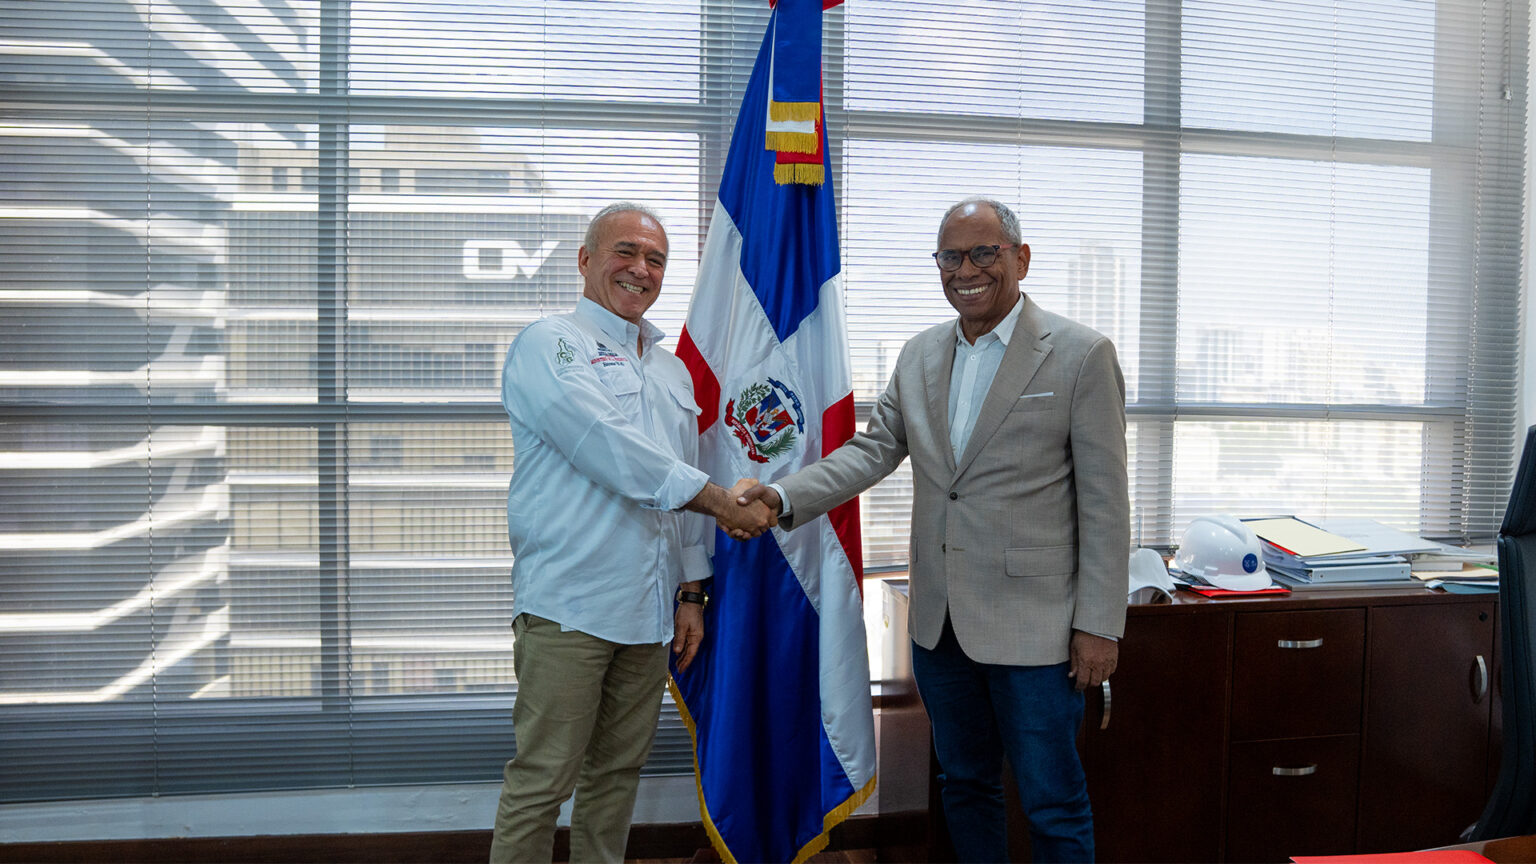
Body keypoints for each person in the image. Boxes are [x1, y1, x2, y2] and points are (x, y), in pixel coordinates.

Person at [739, 197, 1129, 862]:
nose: (966, 269)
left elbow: (1105, 503)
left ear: (1020, 258)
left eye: (985, 253)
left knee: (1053, 802)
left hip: (1037, 633)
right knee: (965, 787)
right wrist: (779, 496)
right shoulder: (920, 354)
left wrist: (1100, 624)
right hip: (941, 629)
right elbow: (872, 451)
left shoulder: (1080, 354)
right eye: (952, 256)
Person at [490, 202, 774, 864]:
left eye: (654, 260)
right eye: (624, 251)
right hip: (569, 607)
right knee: (542, 783)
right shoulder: (550, 344)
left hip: (648, 615)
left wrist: (692, 592)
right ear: (585, 261)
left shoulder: (670, 371)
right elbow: (611, 449)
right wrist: (722, 505)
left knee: (615, 780)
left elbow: (673, 490)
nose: (639, 269)